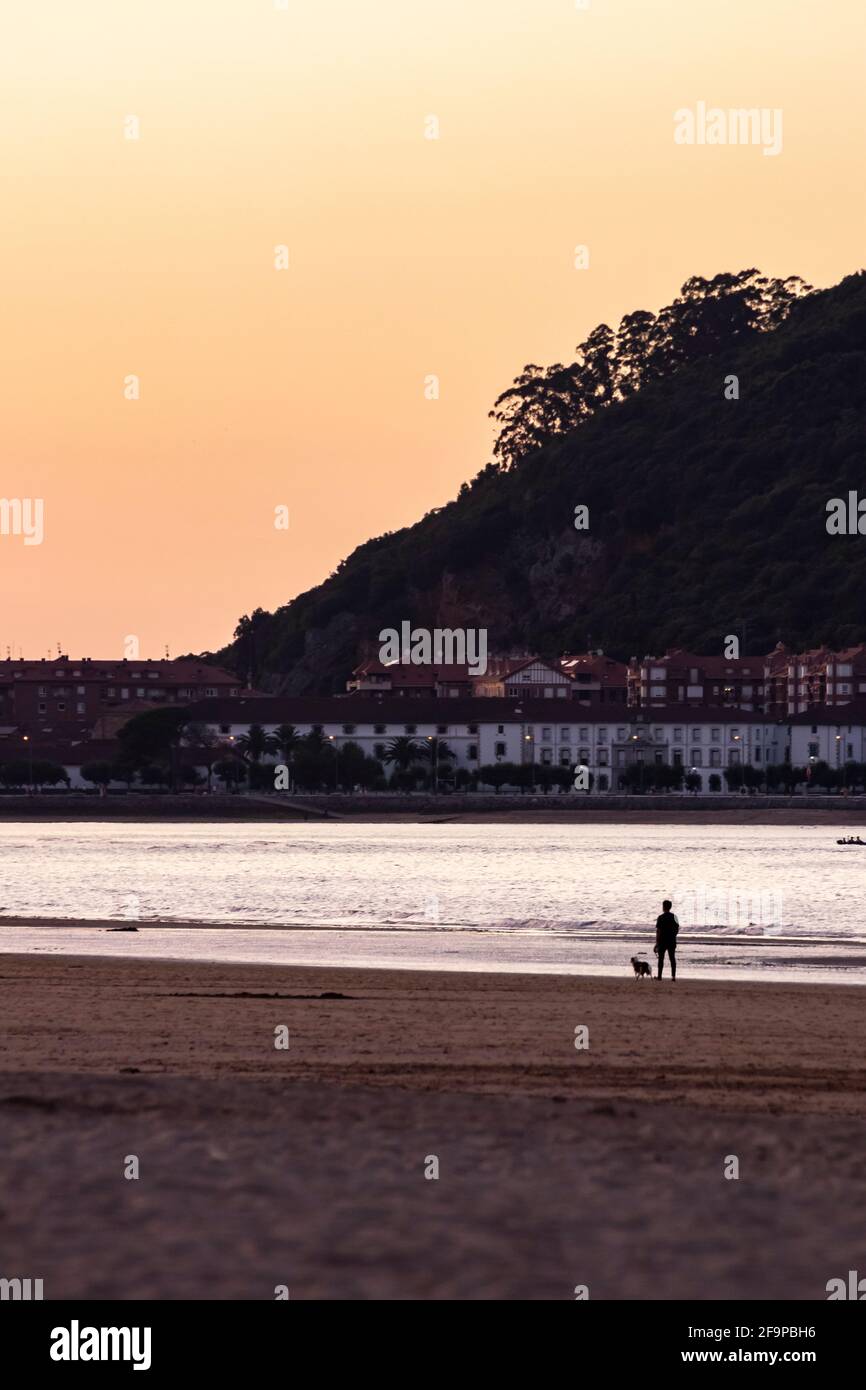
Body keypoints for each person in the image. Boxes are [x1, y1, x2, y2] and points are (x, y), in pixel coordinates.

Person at [654, 899, 679, 980]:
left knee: (661, 959)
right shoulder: (674, 917)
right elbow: (677, 929)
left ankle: (659, 976)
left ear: (663, 907)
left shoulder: (660, 917)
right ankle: (673, 976)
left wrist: (656, 944)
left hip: (662, 941)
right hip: (671, 940)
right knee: (672, 958)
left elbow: (658, 931)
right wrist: (673, 936)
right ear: (670, 907)